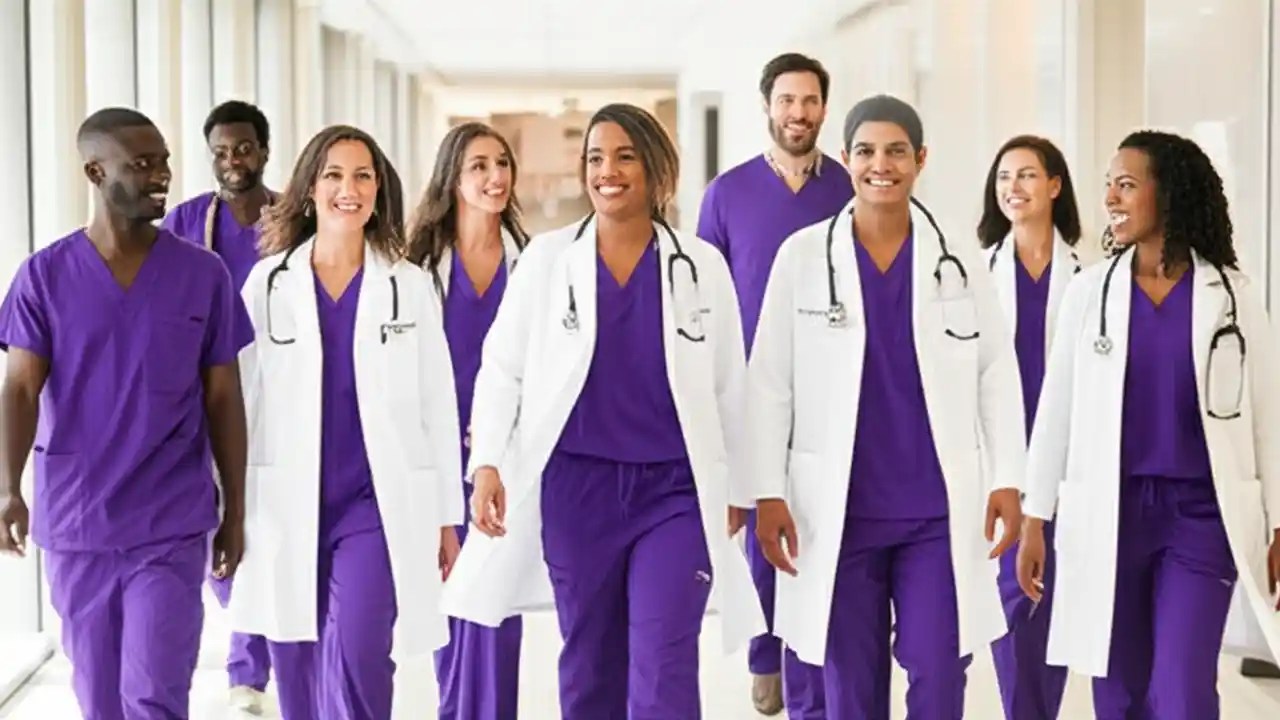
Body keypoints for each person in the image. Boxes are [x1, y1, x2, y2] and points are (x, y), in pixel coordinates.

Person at [441, 103, 766, 719]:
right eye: (595, 158)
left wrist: (740, 488)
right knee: (590, 662)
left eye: (624, 156)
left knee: (664, 660)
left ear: (656, 168)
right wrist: (486, 464)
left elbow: (730, 386)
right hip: (578, 490)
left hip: (674, 490)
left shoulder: (701, 266)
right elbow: (502, 368)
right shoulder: (547, 259)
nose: (607, 171)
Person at [747, 95, 1026, 719]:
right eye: (867, 151)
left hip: (935, 509)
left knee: (938, 670)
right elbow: (769, 384)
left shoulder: (957, 258)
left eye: (897, 150)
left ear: (920, 159)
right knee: (852, 684)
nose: (882, 164)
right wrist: (766, 491)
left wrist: (1008, 477)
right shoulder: (801, 257)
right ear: (844, 159)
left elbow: (994, 370)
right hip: (839, 510)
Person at [1017, 130, 1280, 719]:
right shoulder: (1091, 294)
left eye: (1127, 185)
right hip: (1111, 513)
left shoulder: (1231, 295)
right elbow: (1055, 411)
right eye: (1109, 183)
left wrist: (1279, 520)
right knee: (1120, 691)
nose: (1111, 196)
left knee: (1182, 692)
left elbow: (1268, 416)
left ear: (1170, 194)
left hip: (1200, 517)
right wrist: (1036, 518)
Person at [0, 107, 251, 717]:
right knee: (98, 697)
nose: (161, 174)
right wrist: (8, 489)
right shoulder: (44, 277)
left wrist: (236, 509)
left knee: (155, 693)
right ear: (95, 169)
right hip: (78, 521)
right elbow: (20, 390)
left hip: (170, 521)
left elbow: (223, 397)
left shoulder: (203, 274)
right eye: (142, 164)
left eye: (163, 160)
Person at [226, 125, 463, 719]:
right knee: (298, 666)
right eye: (333, 175)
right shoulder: (268, 283)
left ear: (379, 189)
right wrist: (228, 503)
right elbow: (236, 400)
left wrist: (444, 517)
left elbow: (438, 402)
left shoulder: (408, 286)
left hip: (374, 505)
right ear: (309, 189)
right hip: (284, 497)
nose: (348, 189)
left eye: (362, 176)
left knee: (362, 654)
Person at [696, 51, 851, 716]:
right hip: (753, 384)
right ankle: (767, 654)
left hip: (829, 382)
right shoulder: (727, 194)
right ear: (767, 107)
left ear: (823, 107)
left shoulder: (847, 188)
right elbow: (698, 294)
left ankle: (813, 655)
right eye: (787, 100)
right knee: (763, 515)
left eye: (810, 101)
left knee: (823, 520)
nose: (798, 113)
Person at [406, 121, 529, 720]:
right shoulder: (415, 267)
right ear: (453, 176)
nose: (495, 177)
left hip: (504, 455)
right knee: (450, 598)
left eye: (502, 164)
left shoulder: (531, 263)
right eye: (479, 165)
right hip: (436, 456)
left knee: (499, 604)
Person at [159, 97, 275, 713]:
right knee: (215, 523)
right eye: (222, 152)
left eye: (244, 148)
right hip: (206, 389)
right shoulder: (185, 221)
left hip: (278, 390)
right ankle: (246, 625)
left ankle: (247, 670)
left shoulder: (293, 218)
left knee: (262, 518)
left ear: (265, 151)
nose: (233, 161)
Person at [977, 134, 1083, 720]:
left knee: (1056, 598)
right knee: (1013, 597)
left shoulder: (1091, 278)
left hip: (1069, 461)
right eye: (1002, 179)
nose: (1012, 189)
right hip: (1004, 459)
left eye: (1025, 176)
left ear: (1054, 186)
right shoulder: (974, 274)